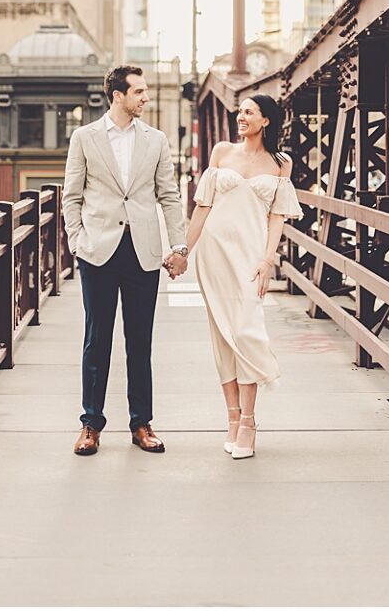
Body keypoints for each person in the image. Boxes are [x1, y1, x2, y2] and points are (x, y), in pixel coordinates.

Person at [62, 64, 189, 456]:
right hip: (97, 251)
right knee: (96, 340)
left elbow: (169, 195)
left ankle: (142, 423)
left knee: (140, 342)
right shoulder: (85, 137)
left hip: (143, 252)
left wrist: (179, 246)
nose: (145, 98)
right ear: (117, 95)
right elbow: (72, 195)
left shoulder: (156, 140)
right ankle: (90, 425)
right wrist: (77, 241)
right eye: (138, 92)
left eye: (145, 91)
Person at [174, 93, 298, 459]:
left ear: (266, 121)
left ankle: (249, 422)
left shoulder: (280, 163)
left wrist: (267, 259)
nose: (240, 117)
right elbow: (202, 208)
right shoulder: (221, 152)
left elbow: (277, 217)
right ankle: (233, 419)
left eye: (249, 112)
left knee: (245, 331)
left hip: (249, 256)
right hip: (214, 254)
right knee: (223, 337)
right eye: (240, 111)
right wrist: (185, 251)